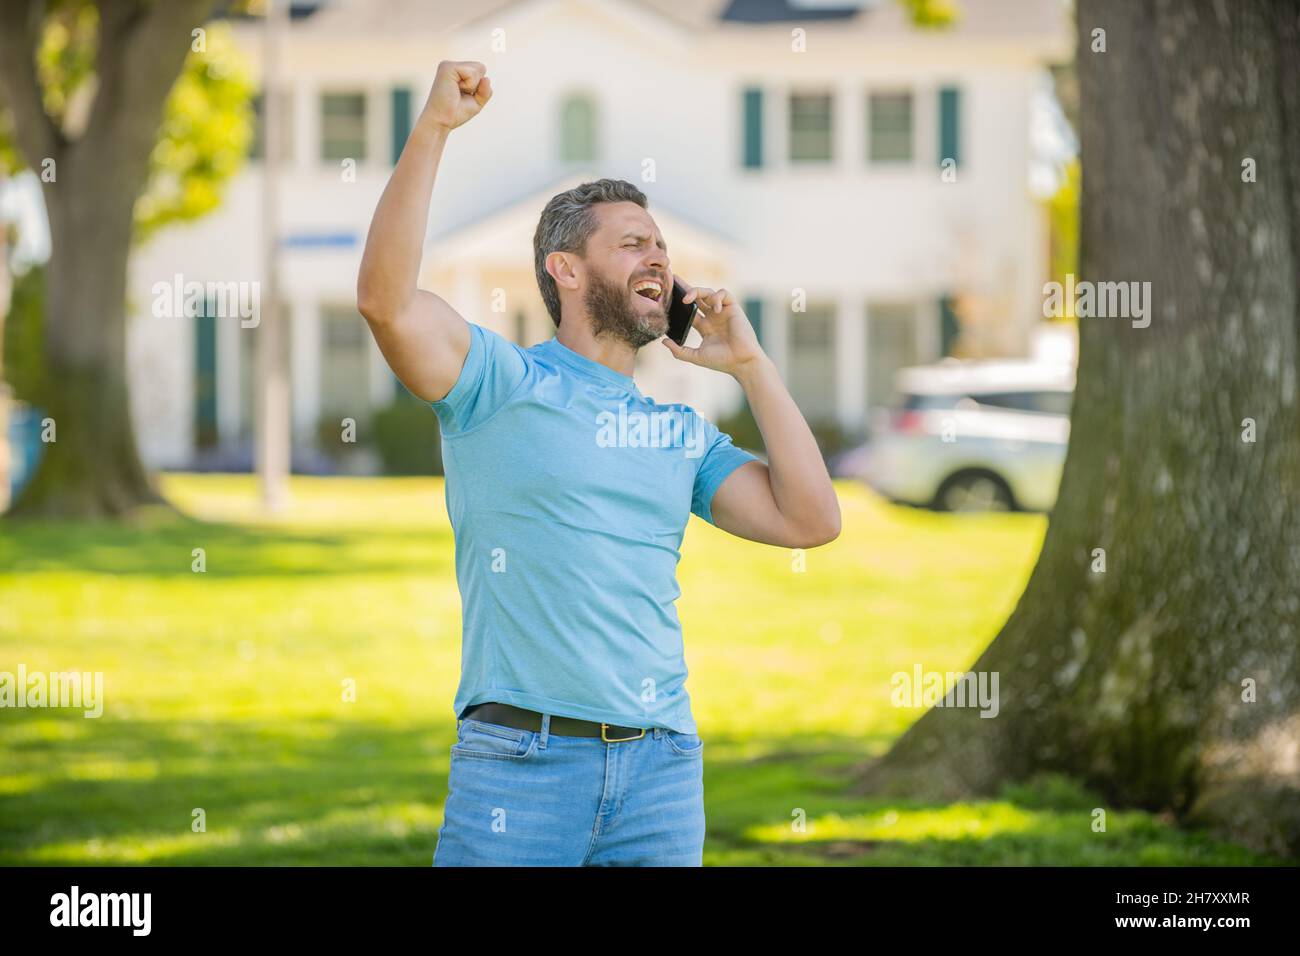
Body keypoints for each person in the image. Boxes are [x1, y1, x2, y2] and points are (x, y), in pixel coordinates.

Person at [357, 61, 841, 866]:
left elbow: (812, 520)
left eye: (661, 246)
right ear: (566, 270)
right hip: (520, 768)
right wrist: (433, 127)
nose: (658, 259)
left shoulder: (678, 434)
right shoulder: (499, 384)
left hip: (660, 772)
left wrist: (753, 366)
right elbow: (385, 301)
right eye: (631, 244)